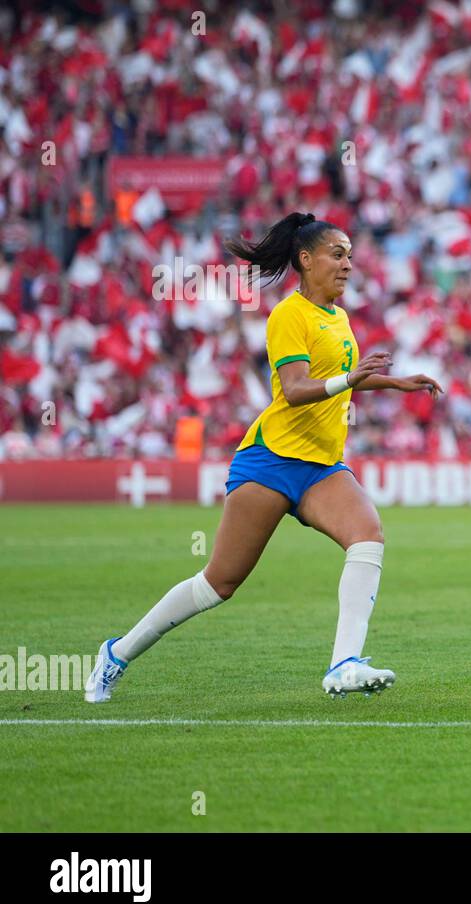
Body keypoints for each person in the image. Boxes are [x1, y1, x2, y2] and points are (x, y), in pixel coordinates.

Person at [84, 212, 442, 702]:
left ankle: (343, 663)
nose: (347, 265)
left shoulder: (338, 317)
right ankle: (117, 653)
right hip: (270, 461)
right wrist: (354, 379)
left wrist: (394, 382)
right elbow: (296, 391)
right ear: (306, 259)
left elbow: (342, 376)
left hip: (320, 465)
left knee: (368, 534)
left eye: (351, 257)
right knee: (218, 583)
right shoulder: (287, 316)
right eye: (338, 255)